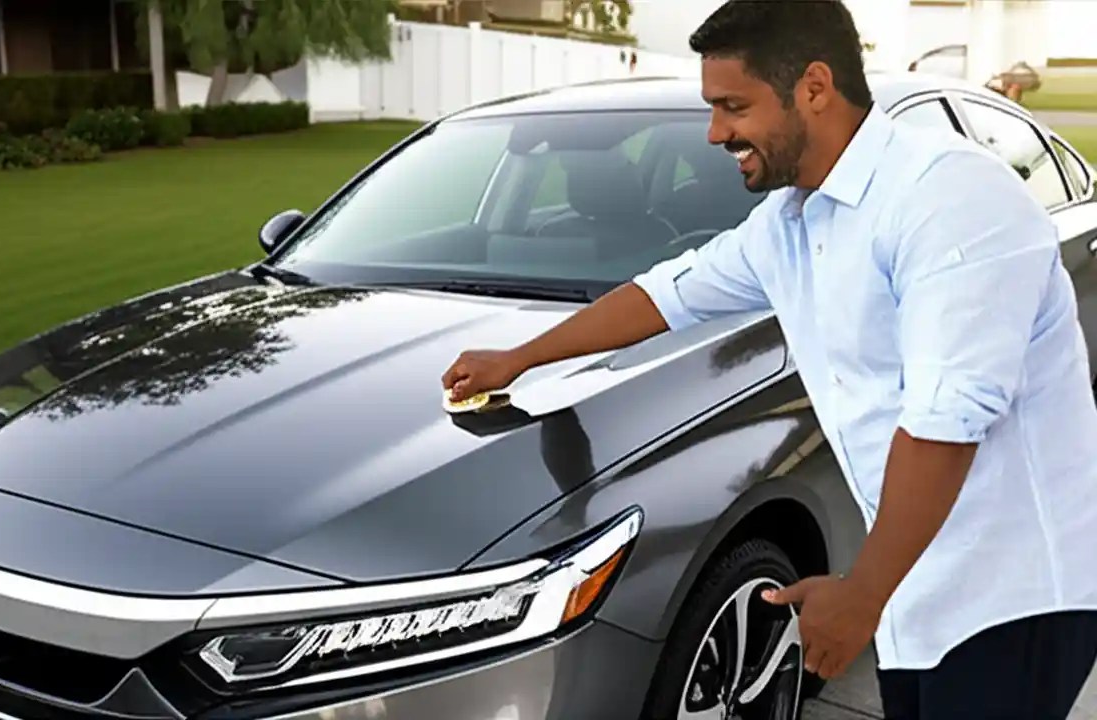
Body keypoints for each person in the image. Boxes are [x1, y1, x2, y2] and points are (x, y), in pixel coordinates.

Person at [440, 1, 1097, 717]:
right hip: (919, 590)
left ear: (813, 87)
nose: (717, 132)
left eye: (733, 106)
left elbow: (947, 422)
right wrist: (519, 358)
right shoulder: (791, 221)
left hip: (1015, 595)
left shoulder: (949, 198)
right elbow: (666, 295)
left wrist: (860, 597)